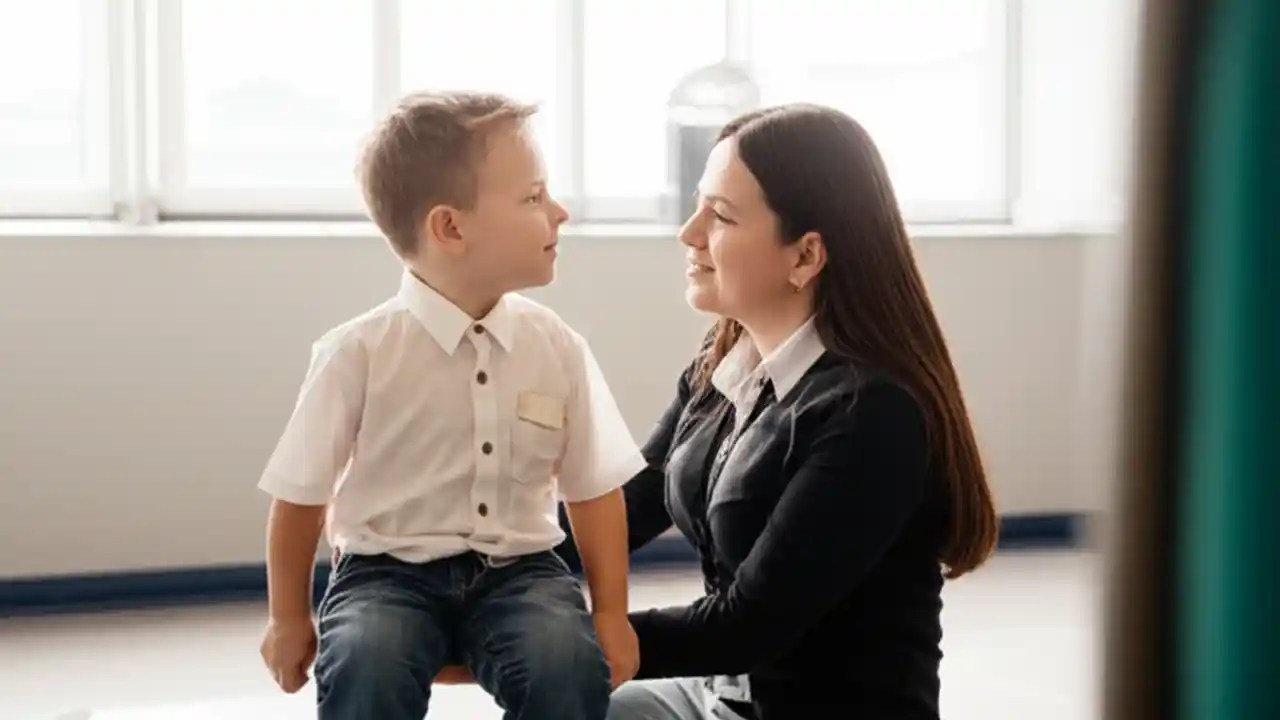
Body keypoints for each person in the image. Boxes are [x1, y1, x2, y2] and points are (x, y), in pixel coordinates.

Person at [556, 103, 999, 719]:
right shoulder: (722, 364)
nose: (688, 234)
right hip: (725, 697)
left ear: (805, 256)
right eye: (697, 205)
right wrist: (482, 576)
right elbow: (628, 503)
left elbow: (748, 625)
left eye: (720, 216)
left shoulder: (873, 415)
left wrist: (554, 642)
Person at [256, 91, 644, 720]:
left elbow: (594, 491)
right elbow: (299, 495)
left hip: (522, 571)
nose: (560, 212)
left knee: (566, 667)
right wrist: (287, 617)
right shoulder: (357, 352)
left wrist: (610, 613)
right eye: (533, 197)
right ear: (450, 227)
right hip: (385, 572)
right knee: (366, 662)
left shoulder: (556, 346)